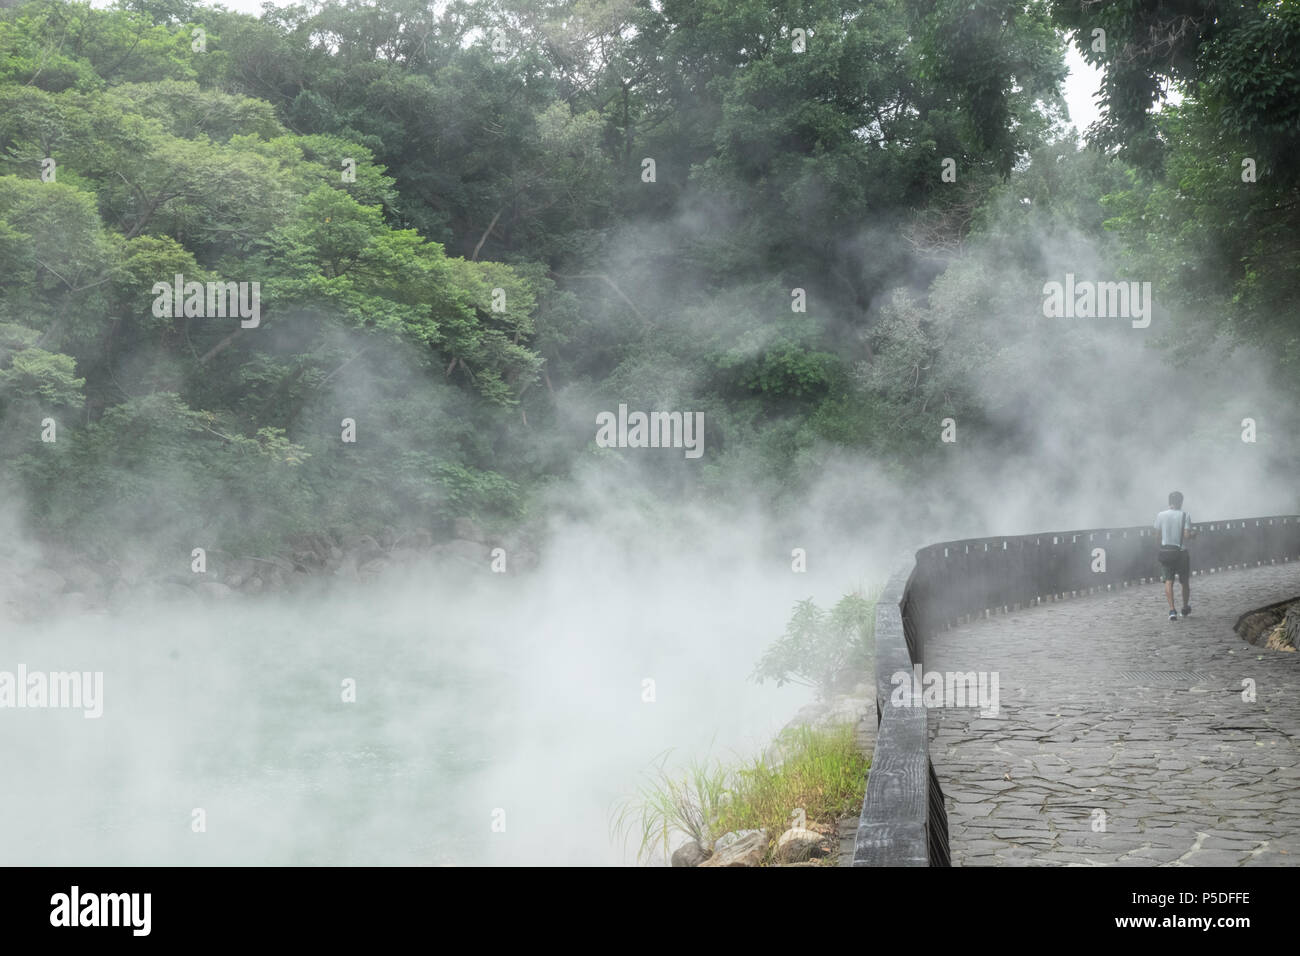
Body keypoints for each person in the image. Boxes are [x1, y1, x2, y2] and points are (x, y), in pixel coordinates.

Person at [1154, 491, 1195, 621]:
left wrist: (1163, 543)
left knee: (1168, 581)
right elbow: (1187, 536)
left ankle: (1172, 610)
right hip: (1181, 552)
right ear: (1181, 502)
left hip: (1166, 551)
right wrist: (1194, 534)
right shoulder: (1184, 515)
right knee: (1184, 582)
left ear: (1169, 502)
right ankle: (1184, 607)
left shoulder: (1160, 515)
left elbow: (1157, 535)